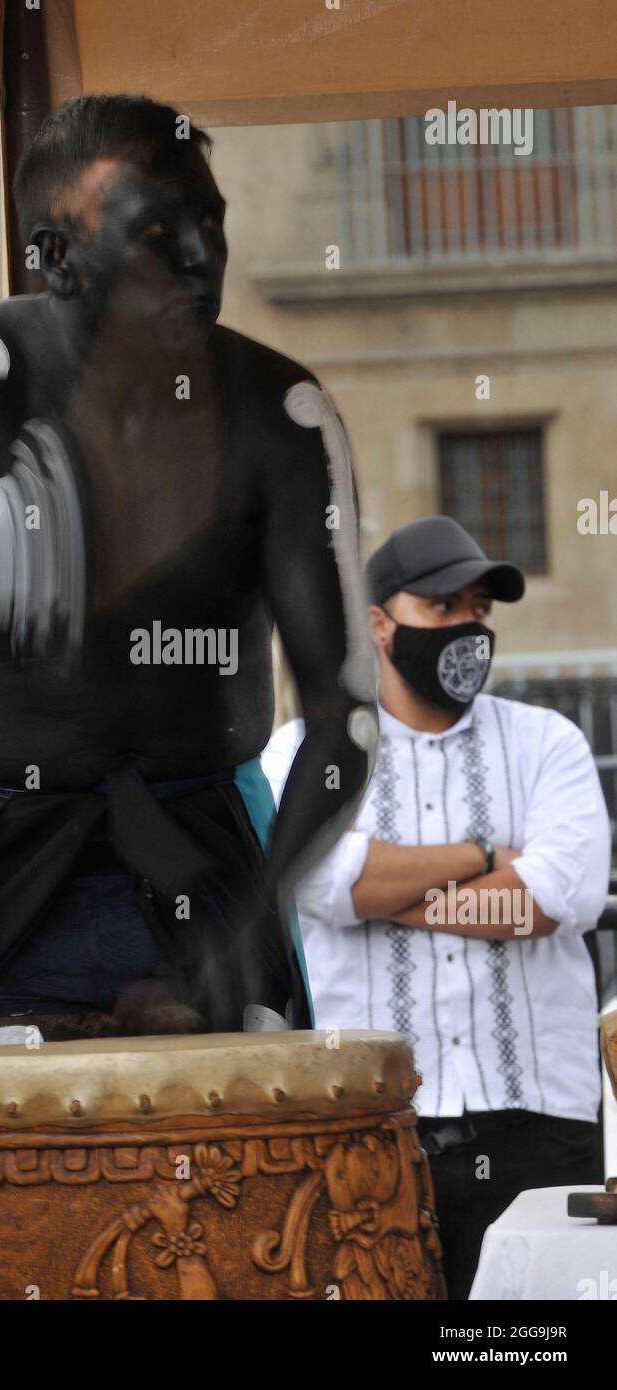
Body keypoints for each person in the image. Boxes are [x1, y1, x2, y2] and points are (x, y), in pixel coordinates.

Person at [0, 94, 376, 1277]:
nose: (202, 256)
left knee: (251, 1226)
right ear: (55, 255)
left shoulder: (283, 413)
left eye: (209, 223)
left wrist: (259, 903)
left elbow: (345, 715)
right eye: (159, 231)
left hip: (209, 850)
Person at [262, 515, 611, 1300]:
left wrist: (385, 897)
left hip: (537, 1125)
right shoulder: (306, 753)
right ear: (379, 625)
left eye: (480, 610)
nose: (467, 629)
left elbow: (563, 894)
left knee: (530, 1353)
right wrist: (487, 856)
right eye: (443, 608)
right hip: (363, 1126)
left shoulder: (547, 742)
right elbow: (318, 883)